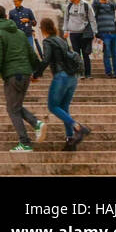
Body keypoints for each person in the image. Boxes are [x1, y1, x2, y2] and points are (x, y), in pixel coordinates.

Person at [0, 4, 47, 152]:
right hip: (25, 74)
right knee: (16, 106)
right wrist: (36, 72)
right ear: (6, 16)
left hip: (13, 75)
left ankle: (25, 141)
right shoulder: (20, 33)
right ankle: (36, 124)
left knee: (12, 109)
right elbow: (31, 54)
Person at [32, 17, 89, 150]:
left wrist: (36, 74)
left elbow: (46, 60)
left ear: (44, 29)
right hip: (72, 77)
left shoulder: (47, 41)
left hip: (61, 76)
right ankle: (70, 140)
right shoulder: (61, 40)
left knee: (53, 106)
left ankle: (77, 127)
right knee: (64, 108)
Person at [62, 0, 98, 79]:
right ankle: (79, 74)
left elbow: (92, 19)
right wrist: (65, 30)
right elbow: (66, 19)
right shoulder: (69, 6)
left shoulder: (86, 5)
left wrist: (94, 32)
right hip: (73, 34)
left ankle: (88, 74)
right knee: (76, 55)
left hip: (84, 33)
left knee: (86, 54)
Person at [93, 0, 116, 79]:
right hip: (104, 34)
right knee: (107, 54)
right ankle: (108, 73)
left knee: (115, 54)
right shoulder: (97, 6)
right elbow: (95, 2)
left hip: (114, 33)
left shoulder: (110, 5)